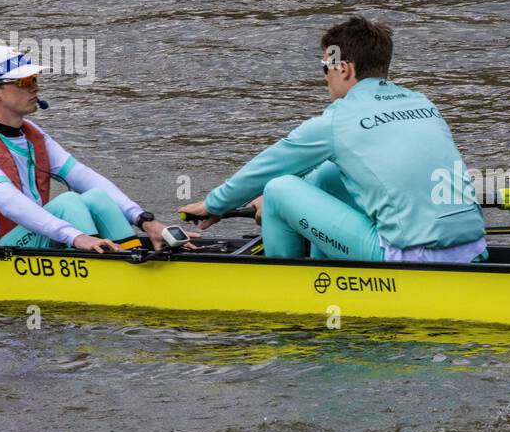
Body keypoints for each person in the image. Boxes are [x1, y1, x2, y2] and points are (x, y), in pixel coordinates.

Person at [179, 16, 486, 262]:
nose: (324, 75)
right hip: (472, 249)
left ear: (346, 68)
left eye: (325, 66)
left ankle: (285, 287)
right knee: (326, 173)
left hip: (407, 257)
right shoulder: (422, 103)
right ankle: (318, 262)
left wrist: (214, 204)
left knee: (277, 188)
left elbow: (269, 167)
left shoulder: (338, 120)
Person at [0, 43, 176, 252]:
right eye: (24, 81)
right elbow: (7, 201)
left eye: (34, 78)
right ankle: (100, 265)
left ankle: (128, 252)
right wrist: (75, 236)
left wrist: (145, 220)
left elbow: (84, 177)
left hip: (25, 236)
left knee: (96, 197)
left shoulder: (32, 134)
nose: (35, 88)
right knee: (67, 203)